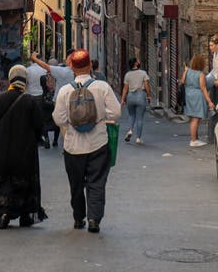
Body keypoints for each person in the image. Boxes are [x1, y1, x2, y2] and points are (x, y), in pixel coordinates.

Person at [52, 49, 121, 233]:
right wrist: (99, 118)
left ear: (72, 67)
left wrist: (72, 121)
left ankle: (78, 217)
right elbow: (116, 112)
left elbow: (58, 119)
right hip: (98, 143)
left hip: (73, 146)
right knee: (96, 182)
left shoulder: (65, 91)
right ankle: (94, 219)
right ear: (90, 65)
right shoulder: (102, 87)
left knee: (76, 184)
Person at [0, 64, 48, 229]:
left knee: (2, 181)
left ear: (11, 79)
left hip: (0, 149)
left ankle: (3, 212)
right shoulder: (30, 101)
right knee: (22, 182)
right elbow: (39, 125)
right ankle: (25, 215)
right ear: (25, 80)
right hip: (24, 150)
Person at [181, 53, 214, 147]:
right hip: (197, 96)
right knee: (196, 119)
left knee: (194, 117)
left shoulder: (187, 72)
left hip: (189, 95)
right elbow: (203, 88)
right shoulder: (201, 74)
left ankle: (196, 138)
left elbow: (182, 81)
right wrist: (209, 101)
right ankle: (193, 140)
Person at [120, 56, 151, 145]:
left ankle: (130, 130)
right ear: (136, 63)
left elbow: (125, 89)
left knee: (131, 115)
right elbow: (147, 86)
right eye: (138, 60)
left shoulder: (127, 75)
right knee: (139, 118)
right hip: (140, 96)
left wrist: (122, 100)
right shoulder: (143, 73)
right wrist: (149, 96)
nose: (139, 61)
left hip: (130, 97)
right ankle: (138, 138)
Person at [40, 60, 60, 148]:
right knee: (56, 121)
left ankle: (47, 139)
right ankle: (55, 140)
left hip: (45, 100)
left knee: (44, 121)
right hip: (55, 101)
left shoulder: (43, 78)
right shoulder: (58, 78)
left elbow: (42, 87)